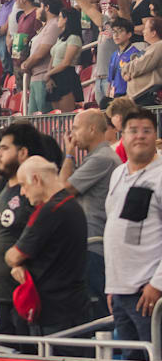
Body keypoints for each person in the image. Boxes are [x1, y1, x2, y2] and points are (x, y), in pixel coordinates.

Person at [5, 157, 90, 340]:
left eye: (23, 185)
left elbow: (14, 256)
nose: (22, 192)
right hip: (73, 307)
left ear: (36, 179)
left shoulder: (49, 212)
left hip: (53, 314)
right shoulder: (73, 206)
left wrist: (17, 263)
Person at [103, 110, 162, 359]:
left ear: (155, 135)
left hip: (148, 293)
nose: (140, 136)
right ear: (122, 136)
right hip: (120, 291)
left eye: (146, 130)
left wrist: (158, 283)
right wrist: (111, 285)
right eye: (133, 130)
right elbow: (113, 229)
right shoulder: (118, 174)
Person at [61, 107, 121, 312]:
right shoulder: (96, 157)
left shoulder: (101, 159)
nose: (72, 134)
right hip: (90, 245)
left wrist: (69, 153)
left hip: (95, 246)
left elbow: (63, 191)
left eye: (76, 128)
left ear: (93, 129)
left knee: (98, 314)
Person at [0, 122, 43, 338]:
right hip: (1, 294)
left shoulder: (33, 191)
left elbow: (42, 235)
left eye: (4, 149)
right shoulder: (6, 188)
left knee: (28, 360)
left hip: (25, 295)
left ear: (22, 153)